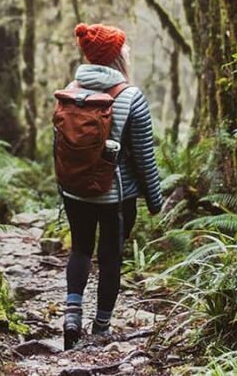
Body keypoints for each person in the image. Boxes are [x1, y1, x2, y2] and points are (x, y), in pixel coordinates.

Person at [57, 23, 163, 350]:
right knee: (110, 257)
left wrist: (64, 187)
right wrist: (156, 200)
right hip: (116, 195)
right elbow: (144, 154)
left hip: (74, 191)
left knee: (80, 249)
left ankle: (72, 314)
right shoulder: (131, 97)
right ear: (117, 57)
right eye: (124, 48)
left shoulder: (70, 91)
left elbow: (58, 145)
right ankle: (101, 327)